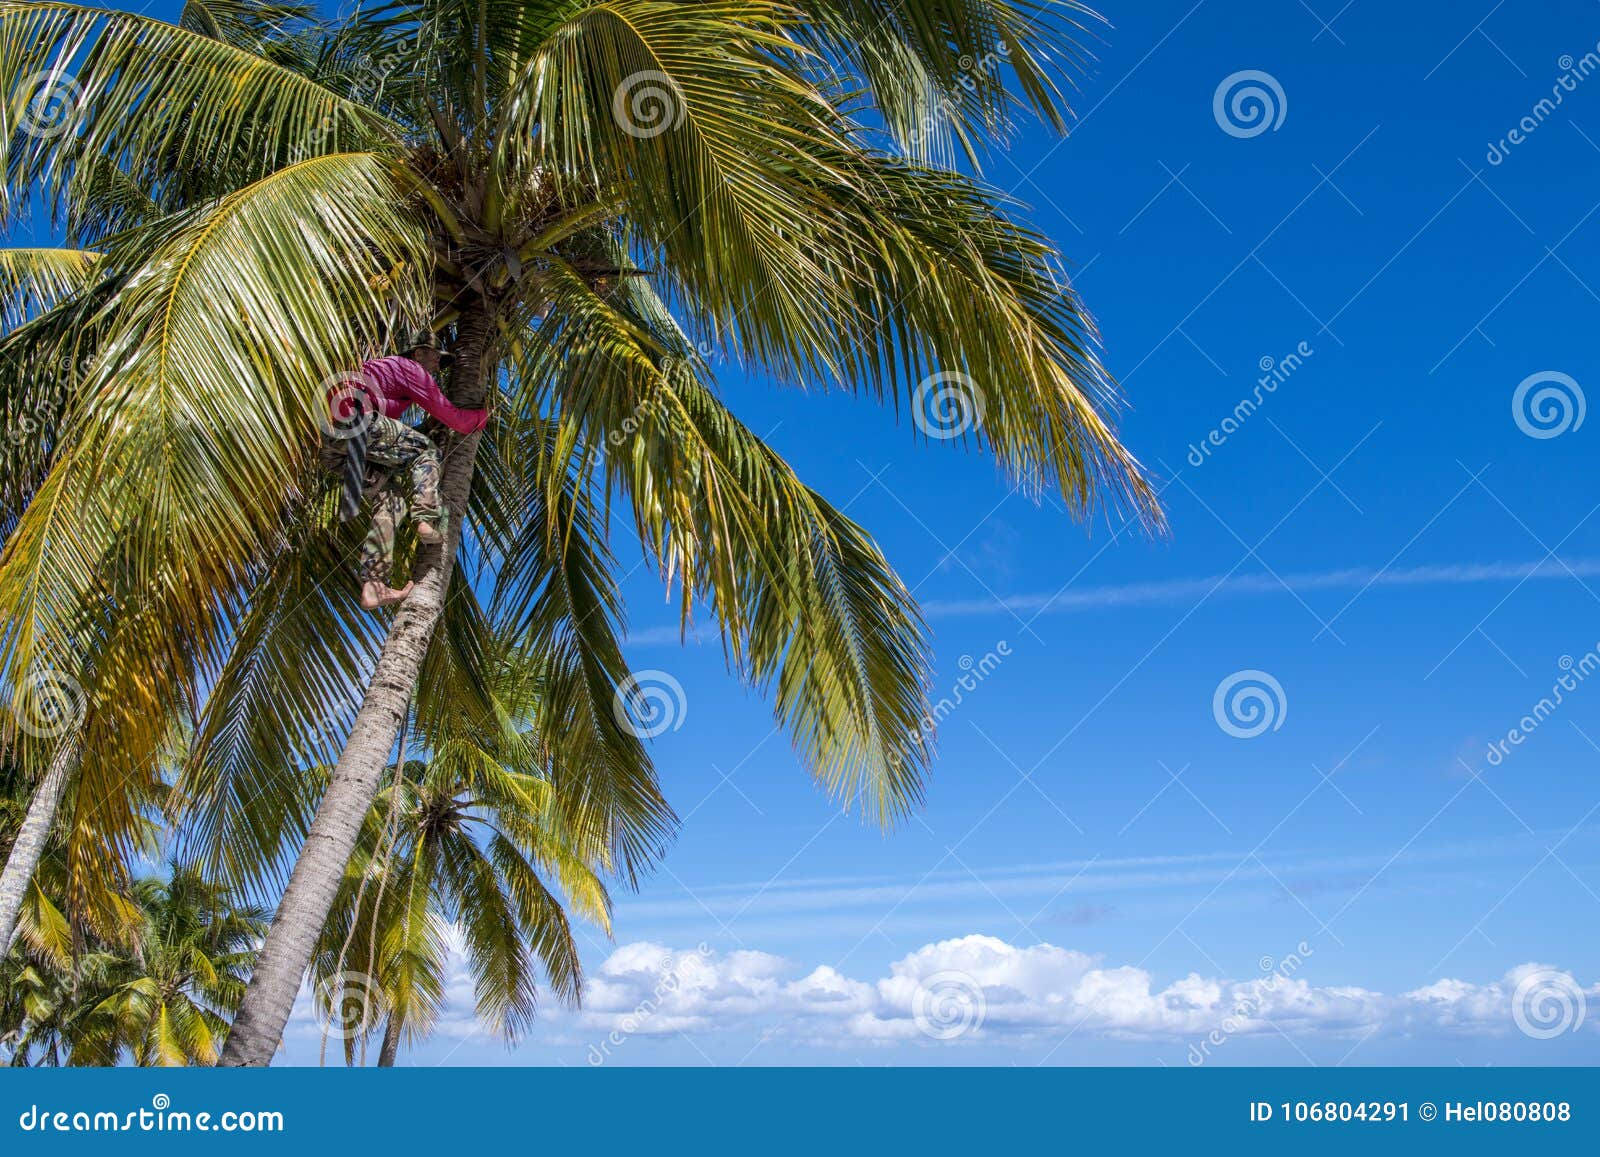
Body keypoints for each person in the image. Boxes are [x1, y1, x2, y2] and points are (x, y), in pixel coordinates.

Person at [324, 332, 488, 610]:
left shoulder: (382, 375)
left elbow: (391, 442)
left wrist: (429, 429)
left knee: (392, 500)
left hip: (335, 444)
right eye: (435, 356)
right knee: (425, 452)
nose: (437, 364)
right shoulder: (411, 370)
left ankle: (373, 586)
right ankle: (426, 517)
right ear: (417, 353)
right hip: (357, 423)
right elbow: (455, 420)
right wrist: (484, 415)